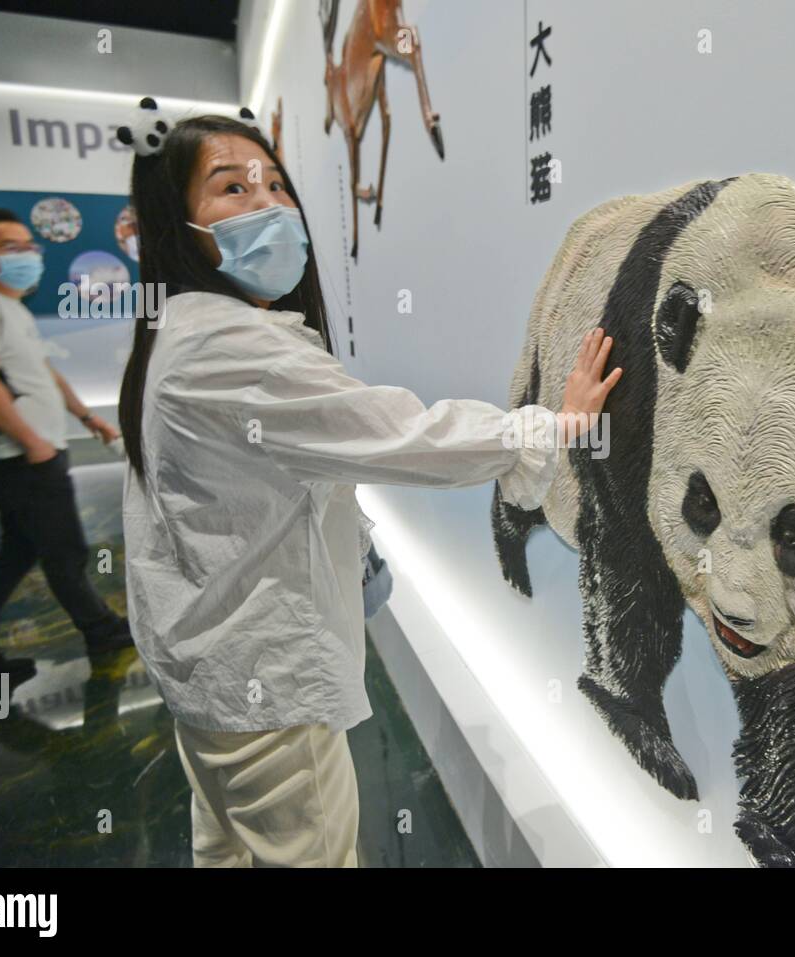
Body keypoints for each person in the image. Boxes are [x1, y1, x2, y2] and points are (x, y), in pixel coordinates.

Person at [118, 113, 621, 868]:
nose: (271, 202)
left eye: (275, 182)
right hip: (264, 695)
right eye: (231, 186)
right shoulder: (225, 345)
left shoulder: (182, 331)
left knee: (222, 847)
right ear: (178, 224)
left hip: (209, 677)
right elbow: (401, 434)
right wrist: (550, 426)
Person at [0, 208, 134, 685]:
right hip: (15, 458)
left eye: (30, 246)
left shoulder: (10, 306)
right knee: (65, 551)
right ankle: (103, 631)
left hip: (32, 452)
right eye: (11, 247)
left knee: (18, 552)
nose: (26, 255)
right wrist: (32, 443)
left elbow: (42, 373)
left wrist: (87, 417)